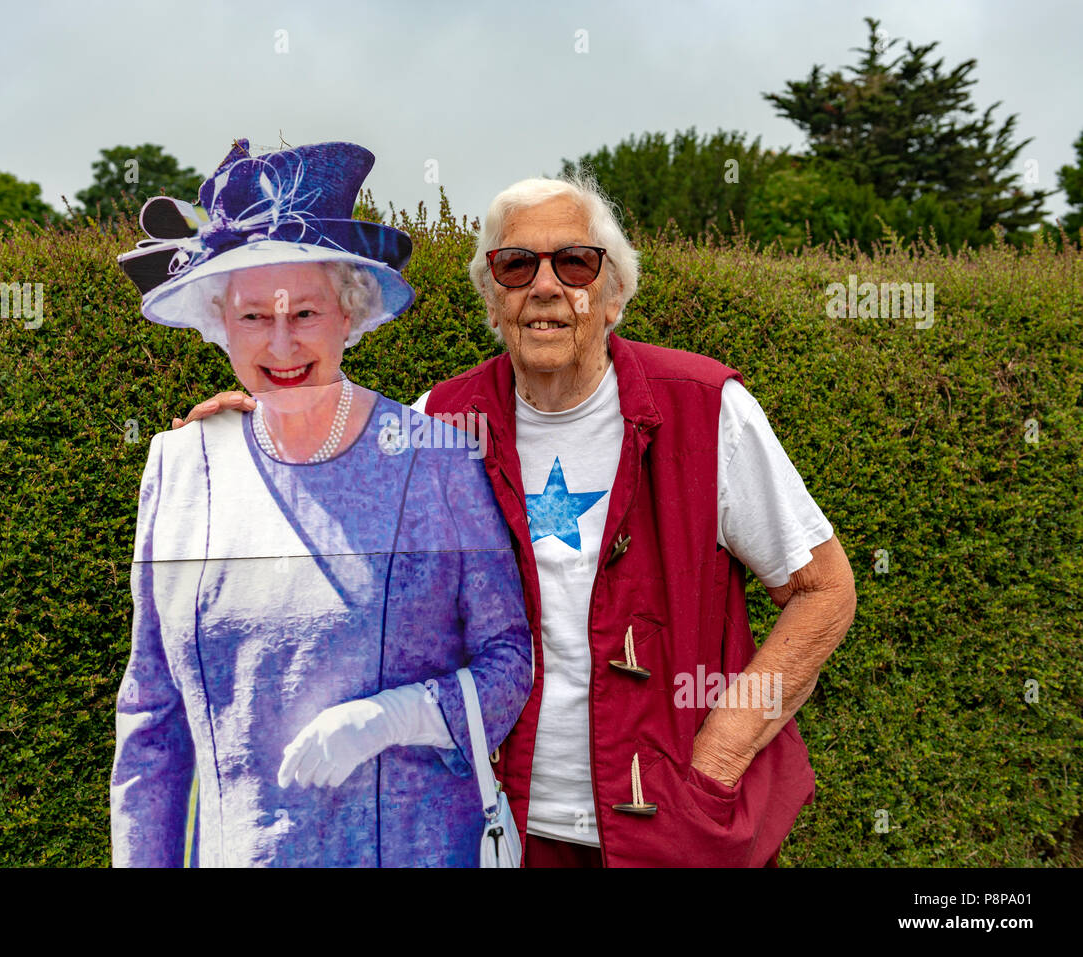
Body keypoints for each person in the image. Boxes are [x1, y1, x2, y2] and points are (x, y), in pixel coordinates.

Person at [177, 170, 858, 868]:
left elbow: (823, 590)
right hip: (503, 830)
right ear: (493, 299)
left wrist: (717, 760)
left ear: (613, 293)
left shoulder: (707, 407)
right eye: (516, 265)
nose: (544, 285)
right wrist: (264, 435)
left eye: (574, 262)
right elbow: (341, 567)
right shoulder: (437, 421)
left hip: (680, 834)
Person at [111, 139, 532, 867]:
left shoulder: (433, 460)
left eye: (304, 311)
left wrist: (397, 715)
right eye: (252, 318)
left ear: (350, 311)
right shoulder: (179, 470)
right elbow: (151, 720)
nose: (280, 344)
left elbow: (509, 661)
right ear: (219, 321)